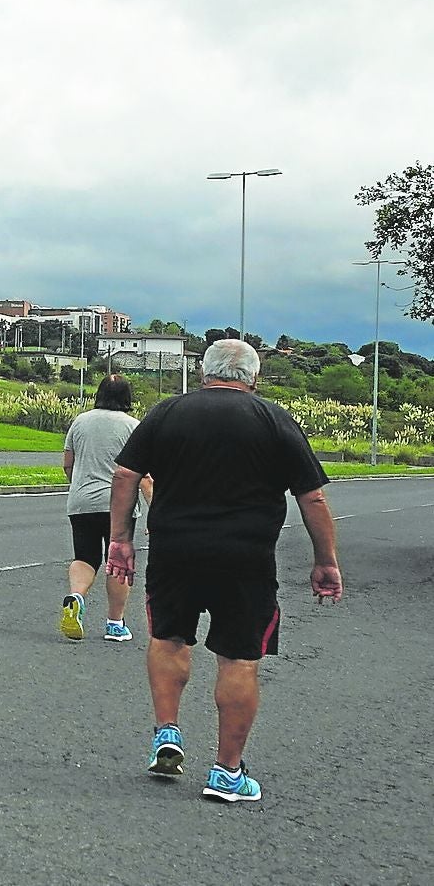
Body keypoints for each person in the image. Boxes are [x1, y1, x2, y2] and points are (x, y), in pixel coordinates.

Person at [105, 339, 344, 803]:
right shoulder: (274, 419)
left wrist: (121, 539)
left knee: (168, 638)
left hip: (176, 552)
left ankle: (167, 733)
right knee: (238, 657)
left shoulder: (167, 413)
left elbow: (125, 474)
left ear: (202, 372)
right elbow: (312, 497)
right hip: (246, 560)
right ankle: (227, 774)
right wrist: (325, 561)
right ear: (254, 377)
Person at [59, 374, 151, 642]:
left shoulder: (80, 422)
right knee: (118, 562)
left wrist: (79, 485)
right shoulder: (134, 427)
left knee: (85, 557)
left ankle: (76, 596)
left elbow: (68, 464)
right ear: (128, 398)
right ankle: (115, 623)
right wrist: (154, 511)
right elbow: (143, 475)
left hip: (81, 501)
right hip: (118, 506)